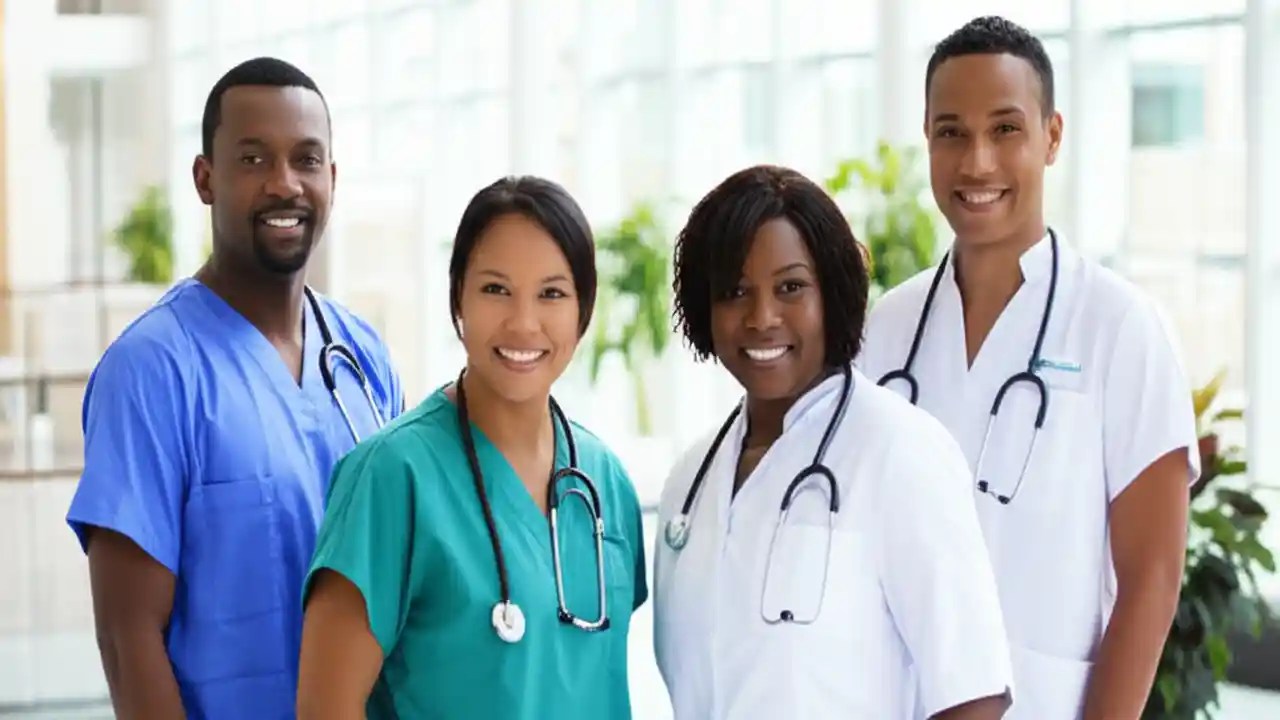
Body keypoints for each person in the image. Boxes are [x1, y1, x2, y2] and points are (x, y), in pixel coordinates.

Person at [856, 16, 1199, 720]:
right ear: (926, 138)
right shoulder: (884, 328)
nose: (976, 161)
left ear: (1052, 136)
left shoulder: (1121, 328)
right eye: (951, 131)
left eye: (1005, 128)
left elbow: (1153, 580)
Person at [65, 57, 404, 719]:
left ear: (332, 179)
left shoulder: (362, 357)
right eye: (253, 160)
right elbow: (127, 635)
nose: (285, 185)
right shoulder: (152, 370)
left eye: (307, 160)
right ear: (205, 178)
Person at [652, 164, 1014, 720]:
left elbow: (973, 695)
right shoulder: (690, 479)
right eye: (735, 291)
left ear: (835, 292)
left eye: (790, 287)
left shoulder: (902, 453)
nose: (762, 316)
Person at [296, 175, 648, 720]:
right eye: (495, 289)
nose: (523, 322)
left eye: (552, 293)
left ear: (583, 310)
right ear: (457, 296)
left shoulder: (605, 482)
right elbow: (326, 709)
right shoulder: (391, 476)